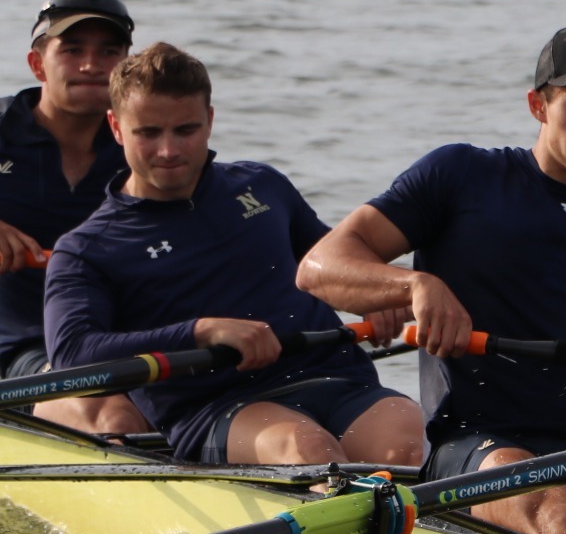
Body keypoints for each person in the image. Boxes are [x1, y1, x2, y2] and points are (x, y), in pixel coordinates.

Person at [297, 23, 566, 534]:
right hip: (474, 442)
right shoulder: (462, 177)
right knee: (557, 510)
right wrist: (415, 287)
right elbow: (319, 266)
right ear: (538, 105)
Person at [44, 43, 422, 467]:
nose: (168, 151)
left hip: (333, 376)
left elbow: (331, 266)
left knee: (404, 439)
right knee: (308, 449)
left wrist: (376, 289)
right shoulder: (87, 248)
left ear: (210, 120)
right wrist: (200, 332)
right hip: (221, 406)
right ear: (116, 127)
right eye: (148, 133)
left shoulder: (262, 186)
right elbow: (72, 355)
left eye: (185, 130)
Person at [0, 0, 149, 434]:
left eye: (108, 51)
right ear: (36, 64)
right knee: (113, 413)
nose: (90, 65)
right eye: (72, 50)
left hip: (129, 342)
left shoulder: (151, 147)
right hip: (17, 348)